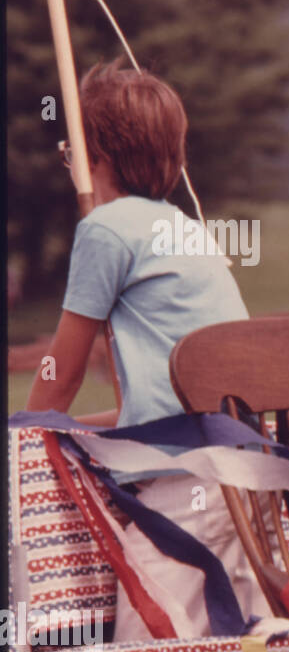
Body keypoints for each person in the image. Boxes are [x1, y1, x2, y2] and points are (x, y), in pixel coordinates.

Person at [26, 57, 248, 427]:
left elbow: (61, 373)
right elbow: (159, 412)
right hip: (232, 446)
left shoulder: (106, 229)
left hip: (183, 462)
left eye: (72, 152)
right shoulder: (184, 227)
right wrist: (74, 427)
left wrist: (20, 434)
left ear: (94, 156)